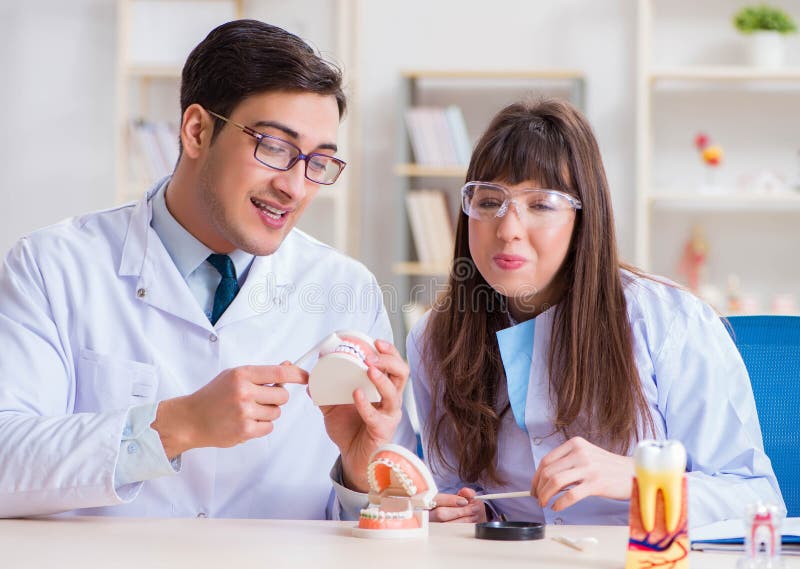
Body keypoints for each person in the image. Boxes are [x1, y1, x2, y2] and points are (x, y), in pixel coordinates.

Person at [0, 19, 414, 519]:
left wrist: (359, 472)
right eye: (275, 148)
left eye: (317, 161)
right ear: (197, 130)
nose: (296, 188)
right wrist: (177, 425)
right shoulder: (52, 267)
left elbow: (389, 517)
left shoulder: (346, 289)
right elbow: (7, 459)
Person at [406, 98, 783, 528]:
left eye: (541, 205)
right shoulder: (437, 338)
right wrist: (468, 511)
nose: (508, 228)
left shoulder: (667, 320)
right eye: (490, 201)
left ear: (584, 218)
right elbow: (453, 489)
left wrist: (642, 479)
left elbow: (757, 497)